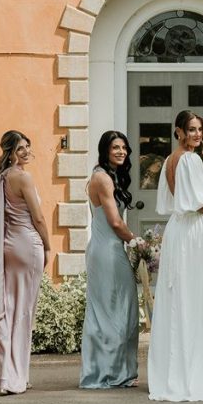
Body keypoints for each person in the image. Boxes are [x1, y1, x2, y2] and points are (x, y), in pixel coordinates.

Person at [147, 110, 203, 402]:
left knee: (179, 297)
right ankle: (194, 372)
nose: (198, 134)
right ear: (179, 131)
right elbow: (200, 205)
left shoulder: (170, 160)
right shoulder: (191, 159)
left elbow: (175, 203)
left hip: (177, 230)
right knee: (196, 297)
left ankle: (174, 370)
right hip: (195, 232)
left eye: (200, 130)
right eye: (192, 129)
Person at [0, 130, 52, 396]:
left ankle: (10, 375)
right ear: (9, 151)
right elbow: (38, 218)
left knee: (10, 309)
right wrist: (47, 245)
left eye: (27, 146)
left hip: (9, 248)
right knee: (23, 312)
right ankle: (15, 377)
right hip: (28, 245)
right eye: (20, 148)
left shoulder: (1, 179)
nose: (25, 152)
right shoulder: (23, 177)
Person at [79, 130, 140, 389]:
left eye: (124, 147)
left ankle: (116, 372)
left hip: (109, 249)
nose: (121, 151)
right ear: (105, 150)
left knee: (117, 309)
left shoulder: (109, 176)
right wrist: (138, 242)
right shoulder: (102, 179)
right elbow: (115, 222)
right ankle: (103, 374)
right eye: (115, 147)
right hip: (108, 250)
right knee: (111, 311)